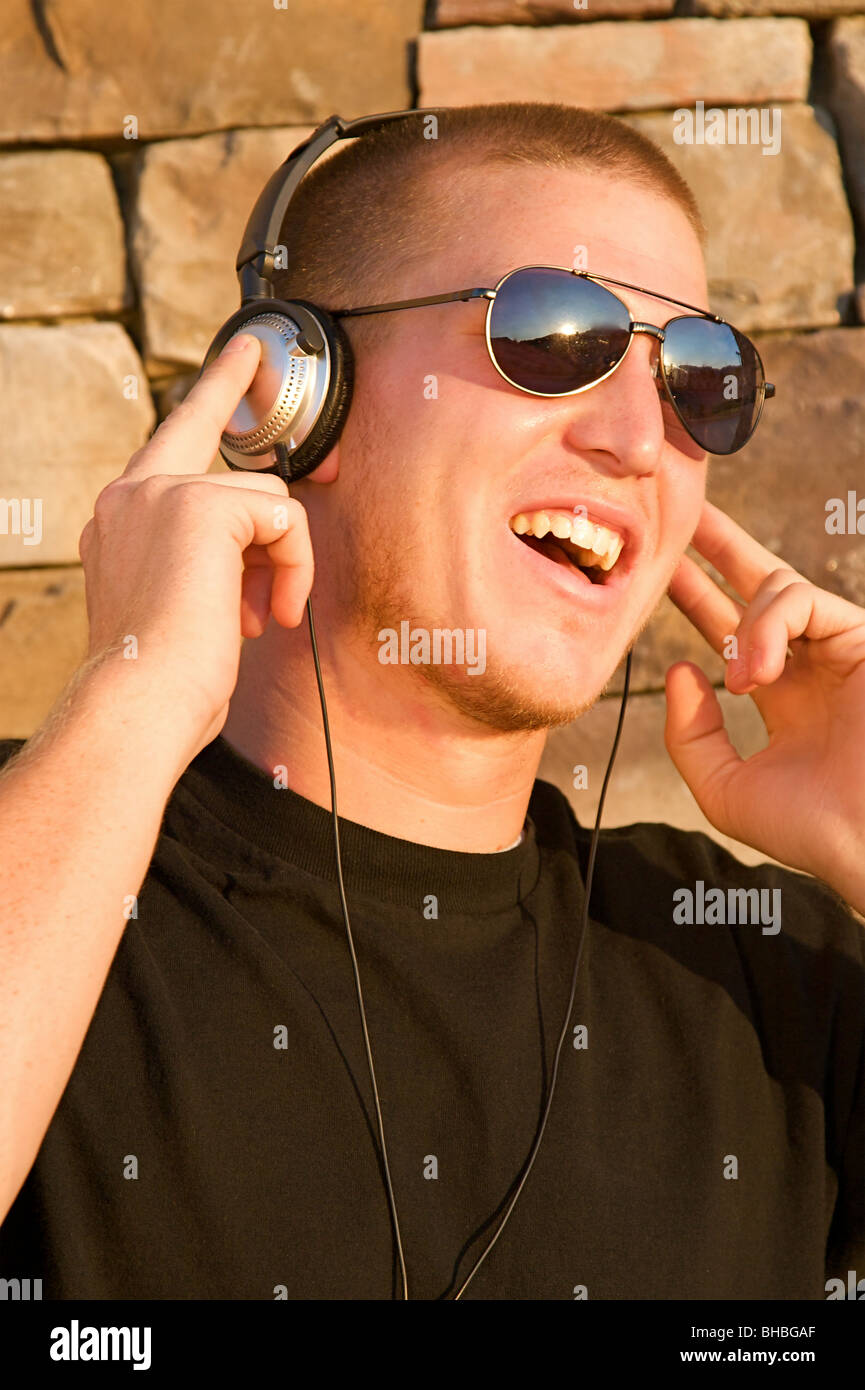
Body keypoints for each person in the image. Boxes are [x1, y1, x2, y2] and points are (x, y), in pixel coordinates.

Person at [0, 104, 862, 1302]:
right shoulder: (44, 873)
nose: (639, 440)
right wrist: (134, 694)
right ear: (291, 392)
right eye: (556, 336)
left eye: (697, 380)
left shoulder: (766, 981)